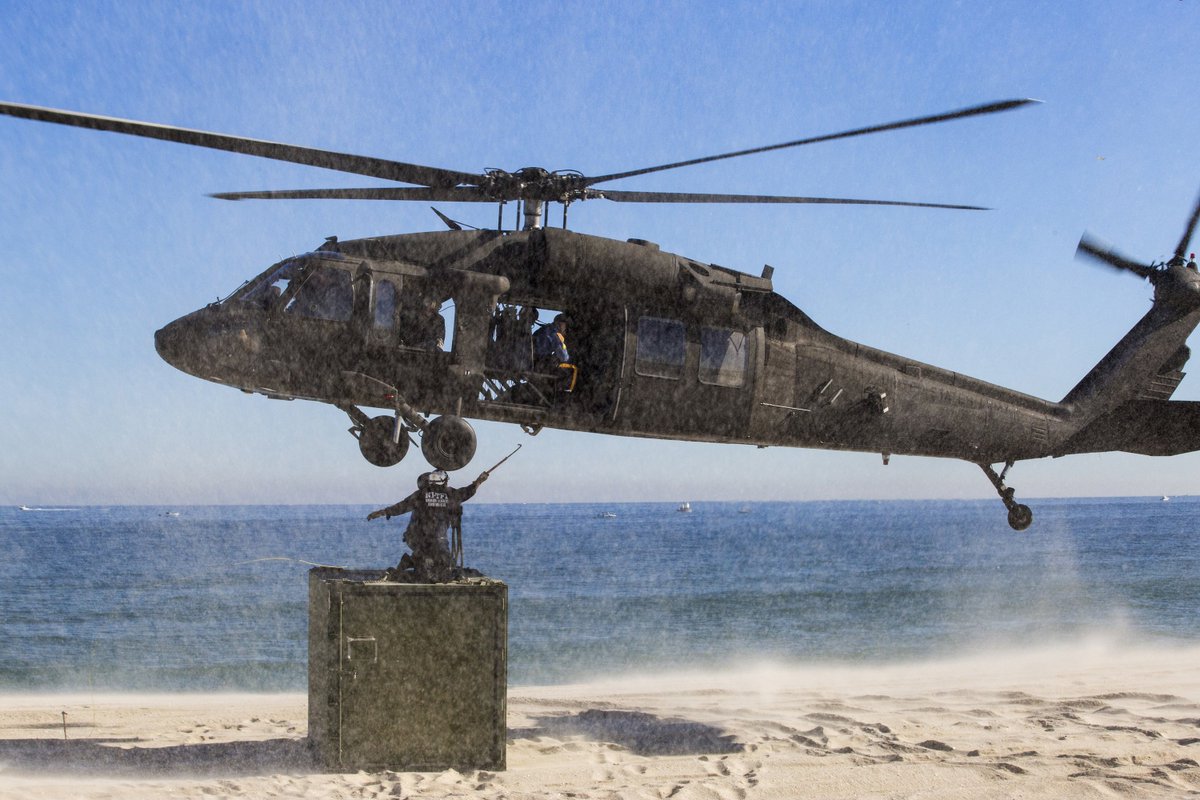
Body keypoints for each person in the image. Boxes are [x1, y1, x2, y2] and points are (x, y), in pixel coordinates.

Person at [367, 469, 487, 582]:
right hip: (439, 541)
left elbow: (401, 506)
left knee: (427, 571)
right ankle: (414, 561)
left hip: (419, 541)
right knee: (444, 573)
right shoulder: (451, 494)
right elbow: (468, 491)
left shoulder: (421, 495)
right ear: (444, 481)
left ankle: (412, 561)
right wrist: (479, 481)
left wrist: (384, 512)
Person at [532, 313, 578, 392]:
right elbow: (564, 357)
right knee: (573, 369)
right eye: (566, 325)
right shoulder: (556, 334)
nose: (566, 328)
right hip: (539, 364)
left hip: (532, 361)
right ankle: (559, 392)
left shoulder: (543, 329)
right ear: (561, 323)